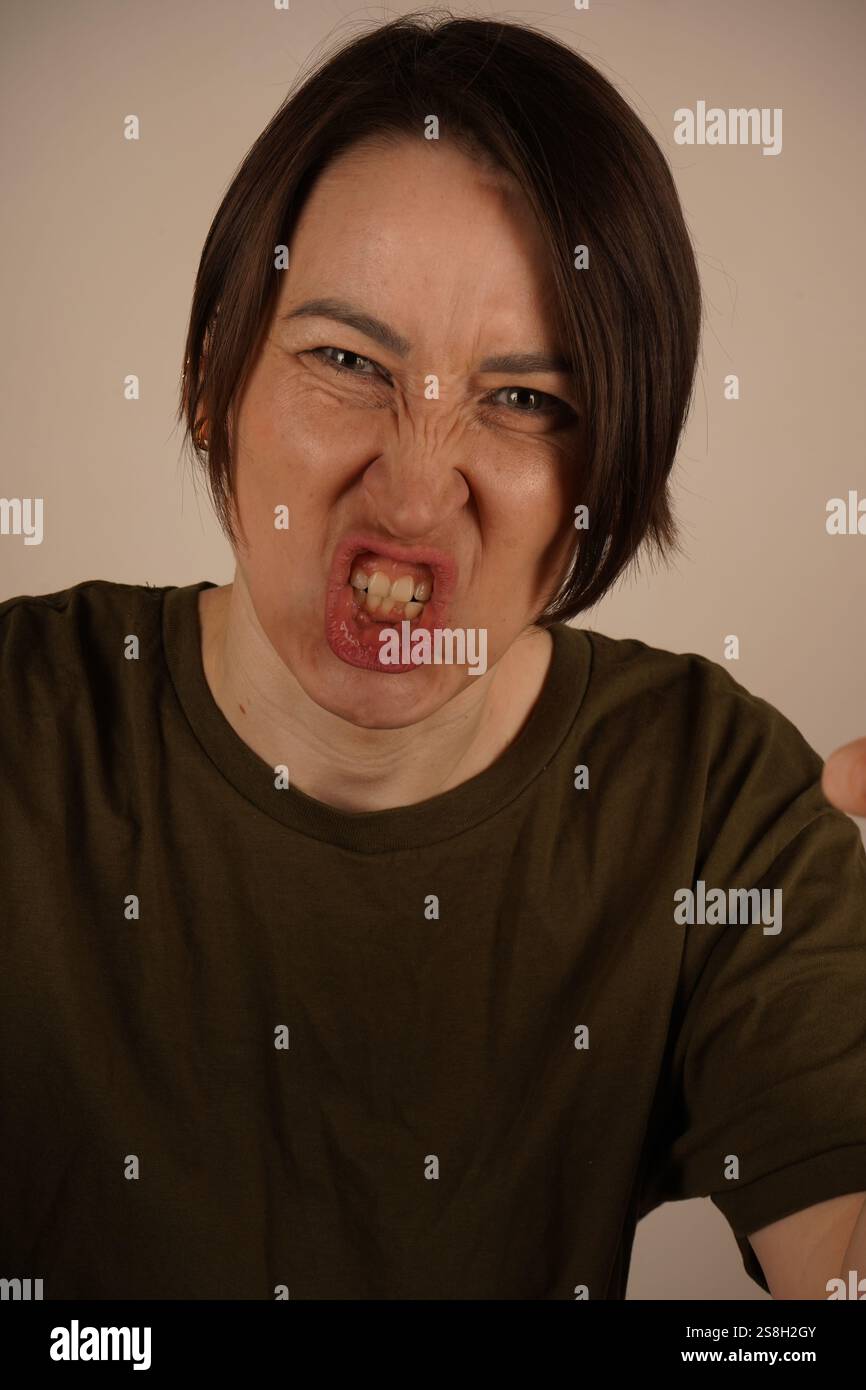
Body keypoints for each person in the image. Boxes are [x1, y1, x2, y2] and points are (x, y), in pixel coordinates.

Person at [1, 13, 865, 1301]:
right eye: (346, 360)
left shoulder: (712, 801)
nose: (413, 492)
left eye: (524, 400)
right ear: (208, 381)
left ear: (606, 470)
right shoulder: (24, 729)